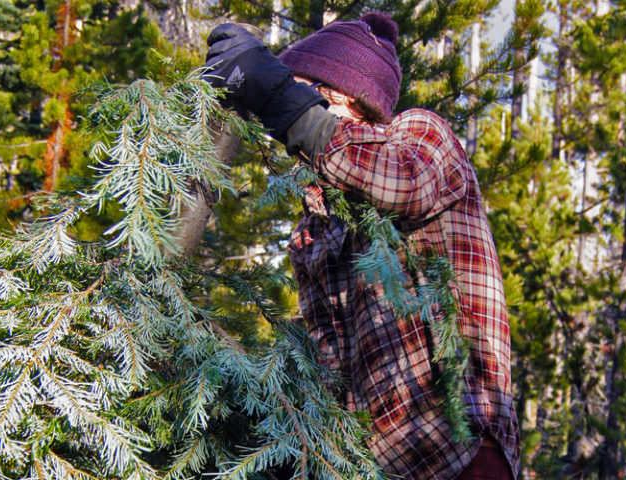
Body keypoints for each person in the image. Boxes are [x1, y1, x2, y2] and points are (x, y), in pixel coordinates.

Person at [205, 12, 520, 480]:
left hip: (460, 453)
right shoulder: (315, 226)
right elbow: (330, 366)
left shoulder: (420, 136)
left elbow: (400, 182)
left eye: (305, 94)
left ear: (346, 100)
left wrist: (284, 104)